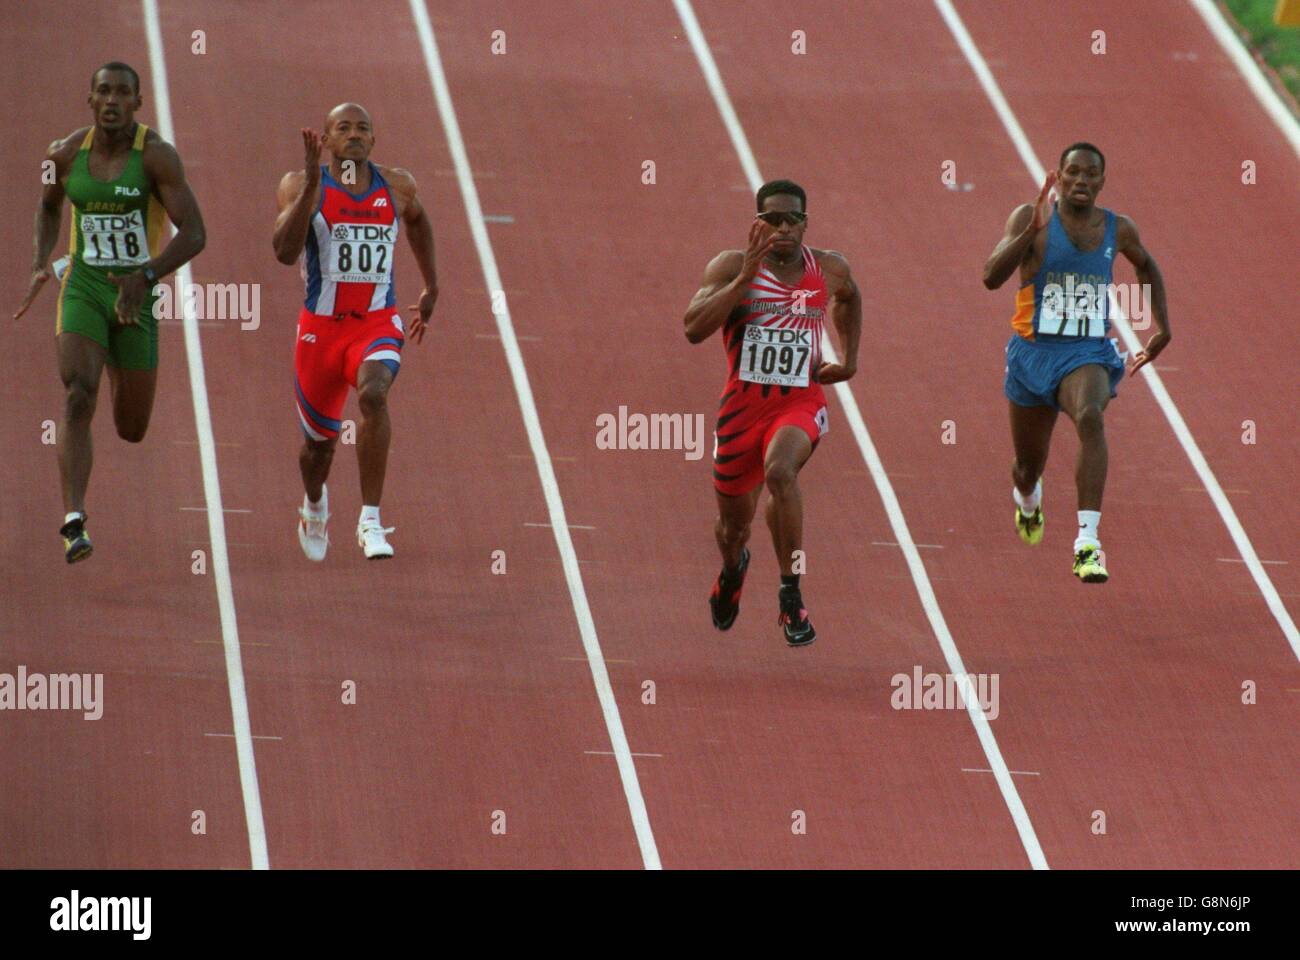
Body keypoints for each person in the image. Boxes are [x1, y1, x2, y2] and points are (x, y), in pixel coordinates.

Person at [15, 62, 206, 563]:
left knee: (131, 428)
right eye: (104, 91)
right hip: (84, 287)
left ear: (138, 103)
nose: (113, 100)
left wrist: (144, 277)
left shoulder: (158, 158)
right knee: (79, 393)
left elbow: (195, 233)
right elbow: (49, 205)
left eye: (124, 92)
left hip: (136, 294)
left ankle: (120, 355)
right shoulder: (64, 153)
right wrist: (41, 262)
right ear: (91, 99)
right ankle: (74, 520)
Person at [983, 143, 1171, 582]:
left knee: (1091, 416)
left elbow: (1148, 266)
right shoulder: (1031, 220)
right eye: (1073, 173)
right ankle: (1028, 498)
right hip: (1032, 354)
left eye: (1091, 174)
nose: (1082, 181)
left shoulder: (1117, 229)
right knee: (1028, 465)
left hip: (1085, 351)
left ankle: (1087, 543)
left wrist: (1161, 326)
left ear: (1102, 182)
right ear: (1059, 177)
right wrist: (1029, 231)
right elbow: (991, 277)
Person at [683, 179, 861, 645]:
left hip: (799, 403)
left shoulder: (829, 269)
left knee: (781, 473)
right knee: (733, 528)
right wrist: (743, 279)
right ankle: (733, 568)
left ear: (805, 225)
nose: (783, 228)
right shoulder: (728, 267)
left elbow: (850, 299)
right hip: (740, 412)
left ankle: (790, 594)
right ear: (756, 224)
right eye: (772, 219)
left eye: (792, 219)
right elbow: (693, 329)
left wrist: (849, 359)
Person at [273, 103, 437, 560]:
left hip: (376, 324)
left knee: (373, 395)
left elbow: (419, 220)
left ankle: (370, 520)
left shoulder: (397, 186)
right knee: (317, 453)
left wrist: (431, 285)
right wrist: (310, 182)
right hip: (320, 336)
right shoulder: (298, 185)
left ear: (374, 139)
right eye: (343, 128)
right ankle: (315, 504)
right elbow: (284, 252)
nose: (355, 134)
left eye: (363, 127)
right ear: (325, 140)